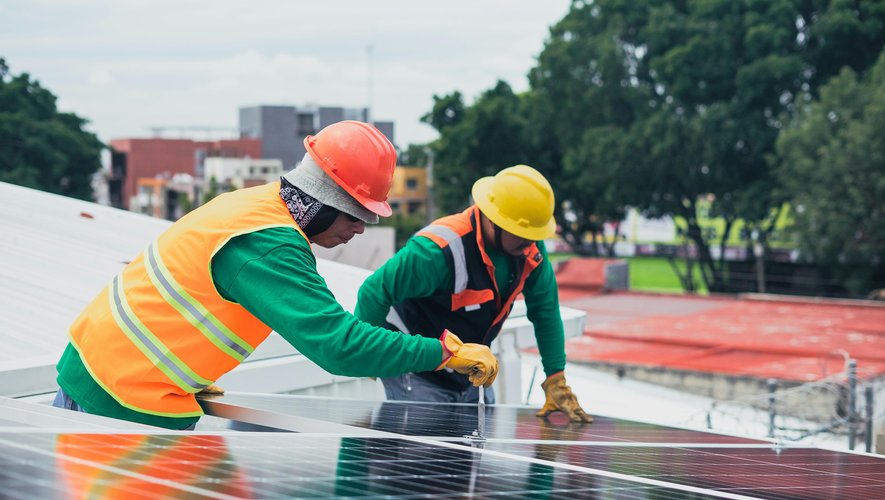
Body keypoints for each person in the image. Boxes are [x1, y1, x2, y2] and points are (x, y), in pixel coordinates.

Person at [52, 120, 498, 430]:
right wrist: (442, 352)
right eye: (357, 214)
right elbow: (338, 347)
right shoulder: (269, 244)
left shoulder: (256, 205)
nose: (361, 228)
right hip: (119, 397)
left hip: (112, 375)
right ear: (326, 198)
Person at [355, 164, 592, 422]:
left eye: (534, 235)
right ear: (493, 220)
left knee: (471, 453)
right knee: (425, 451)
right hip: (417, 370)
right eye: (523, 234)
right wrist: (370, 355)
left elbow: (545, 312)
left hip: (471, 372)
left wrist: (556, 377)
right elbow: (374, 292)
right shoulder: (437, 250)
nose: (530, 243)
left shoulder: (529, 253)